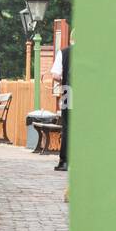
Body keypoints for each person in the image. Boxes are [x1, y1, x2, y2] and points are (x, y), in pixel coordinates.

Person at [51, 28, 73, 171]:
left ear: (71, 38)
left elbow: (55, 74)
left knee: (67, 126)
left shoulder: (64, 52)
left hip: (68, 92)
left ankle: (64, 161)